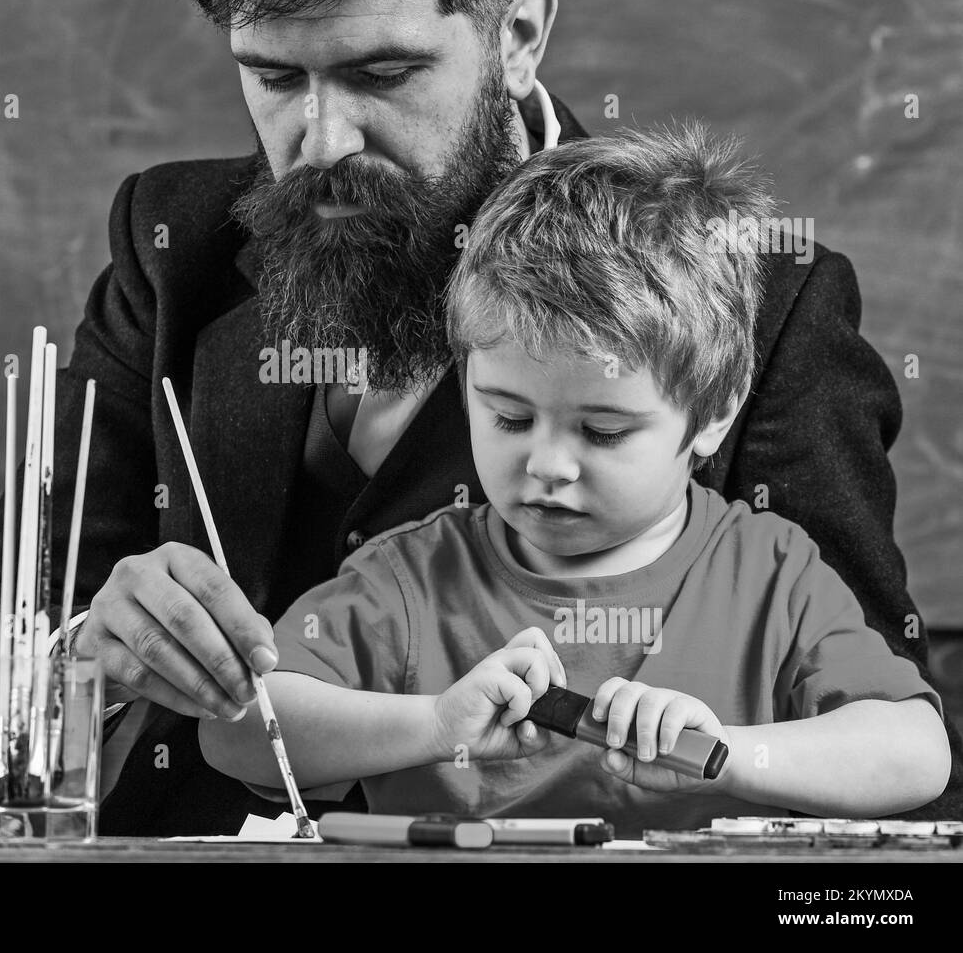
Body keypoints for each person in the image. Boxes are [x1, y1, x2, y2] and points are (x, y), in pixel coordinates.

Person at [0, 0, 959, 834]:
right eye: (272, 76)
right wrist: (88, 650)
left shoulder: (758, 299)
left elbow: (891, 770)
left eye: (383, 72)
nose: (322, 141)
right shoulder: (171, 243)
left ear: (520, 34)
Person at [199, 126, 951, 836]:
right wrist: (434, 723)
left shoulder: (772, 572)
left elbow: (917, 753)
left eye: (603, 431)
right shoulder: (407, 578)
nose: (547, 465)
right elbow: (236, 733)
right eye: (510, 418)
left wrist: (729, 749)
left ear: (716, 412)